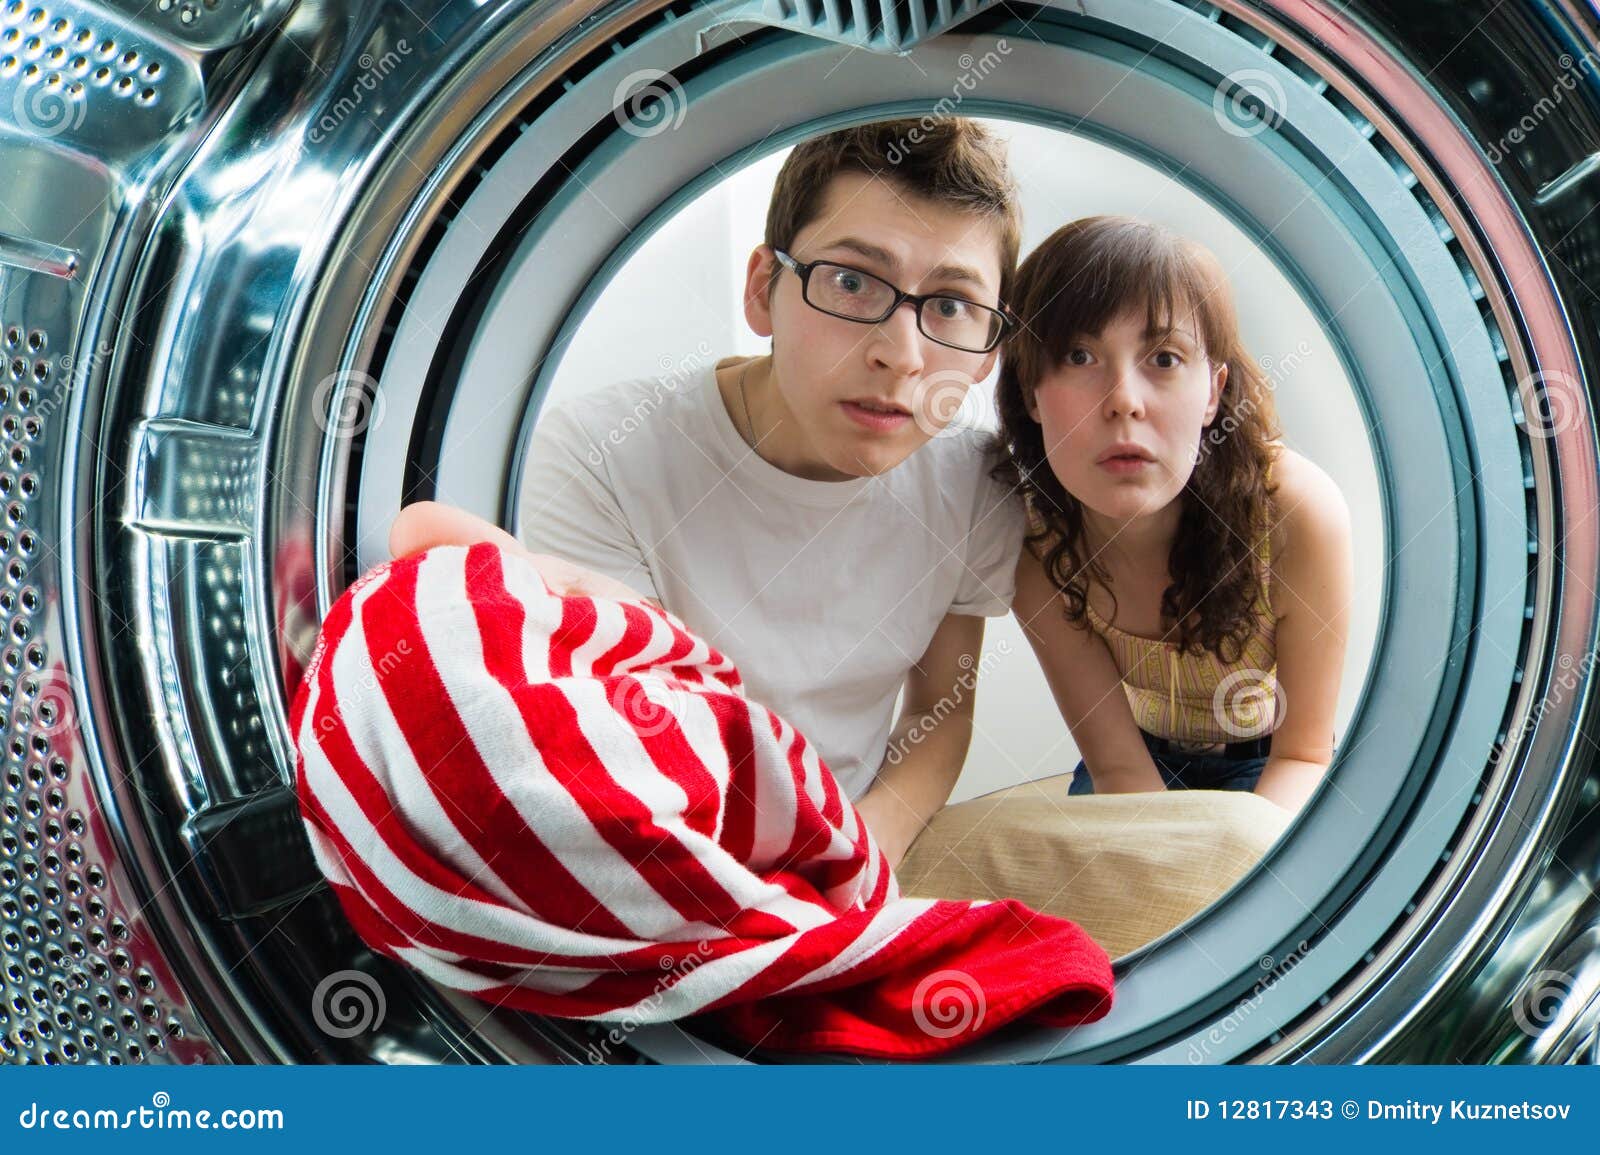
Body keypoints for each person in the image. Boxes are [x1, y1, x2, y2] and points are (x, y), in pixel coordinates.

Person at [390, 119, 1028, 868]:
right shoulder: (601, 455)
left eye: (951, 305)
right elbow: (635, 743)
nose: (901, 354)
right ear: (763, 290)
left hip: (853, 850)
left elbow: (938, 717)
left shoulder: (974, 482)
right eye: (852, 282)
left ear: (990, 350)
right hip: (659, 848)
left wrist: (863, 853)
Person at [992, 215, 1353, 815]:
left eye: (1163, 358)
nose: (1124, 402)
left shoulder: (1297, 513)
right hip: (1138, 756)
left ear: (1213, 393)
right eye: (1080, 355)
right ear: (1031, 393)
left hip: (1273, 761)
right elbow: (1117, 766)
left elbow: (1306, 755)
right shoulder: (1032, 535)